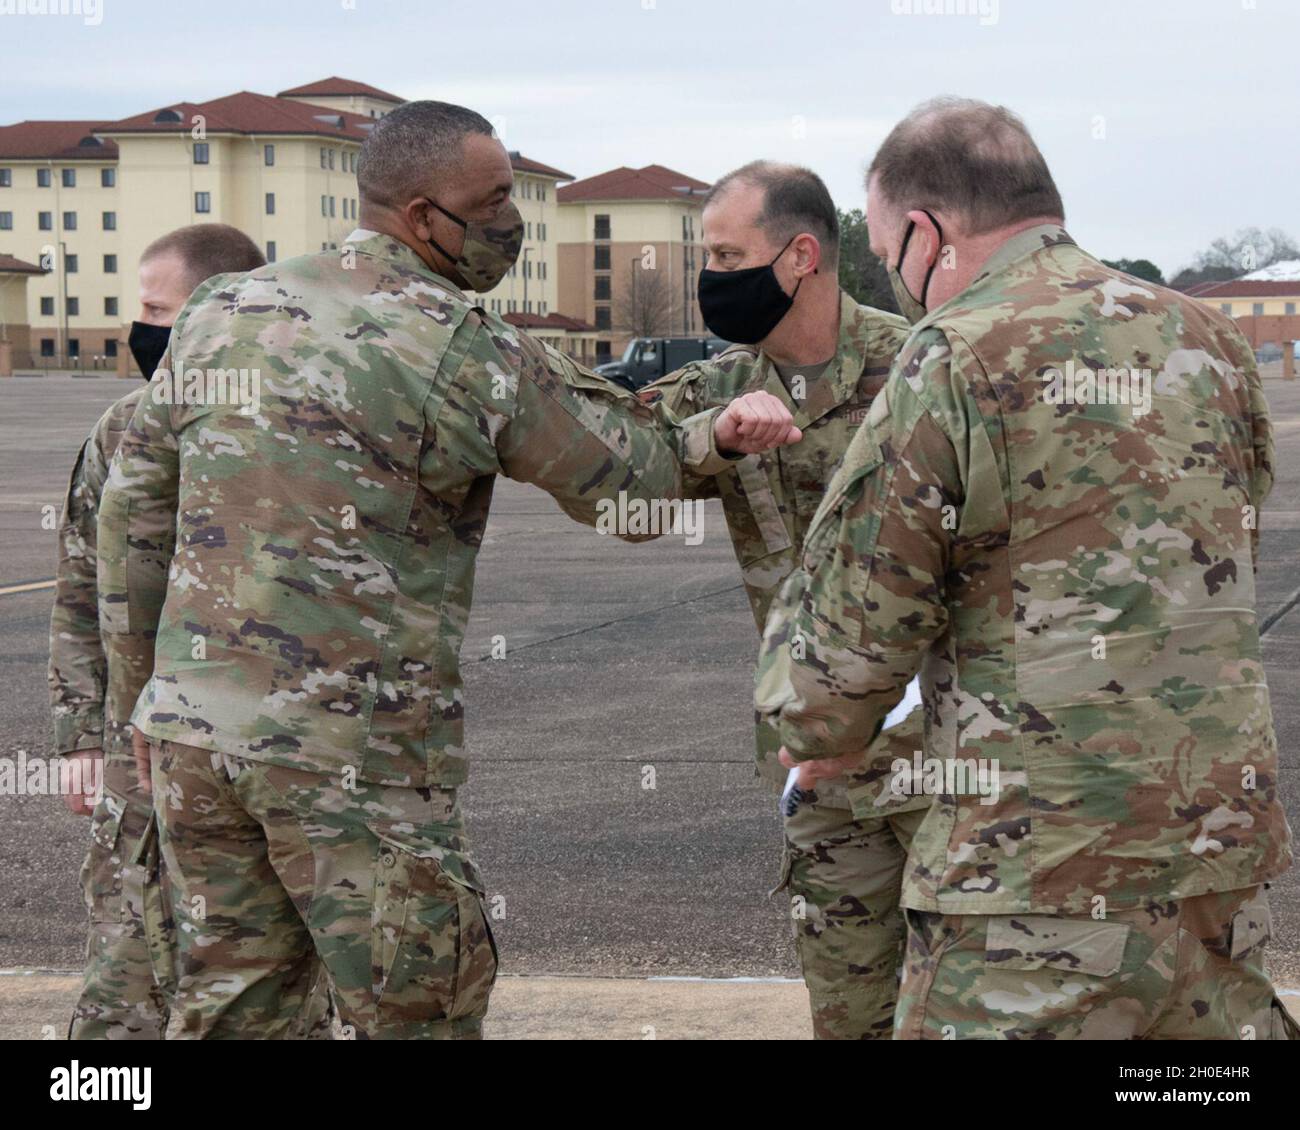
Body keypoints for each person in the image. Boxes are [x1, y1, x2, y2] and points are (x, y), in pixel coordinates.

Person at [96, 101, 798, 1040]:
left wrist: (139, 705)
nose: (512, 219)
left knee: (229, 1008)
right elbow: (626, 484)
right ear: (424, 217)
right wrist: (718, 432)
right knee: (417, 1006)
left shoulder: (223, 310)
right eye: (495, 198)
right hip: (353, 756)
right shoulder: (456, 341)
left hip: (194, 746)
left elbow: (133, 517)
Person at [757, 96, 1295, 1040]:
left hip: (1031, 886)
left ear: (926, 233)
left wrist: (814, 731)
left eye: (888, 258)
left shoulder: (952, 354)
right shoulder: (1207, 340)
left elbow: (846, 649)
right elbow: (1222, 558)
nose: (896, 285)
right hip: (1216, 862)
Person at [639, 161, 927, 1039]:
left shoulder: (922, 367)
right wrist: (712, 441)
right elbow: (620, 484)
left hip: (945, 747)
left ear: (801, 255)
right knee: (848, 1006)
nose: (711, 279)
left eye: (728, 255)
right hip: (815, 750)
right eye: (707, 257)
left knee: (987, 998)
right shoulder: (721, 387)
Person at [49, 223, 342, 1039]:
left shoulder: (299, 425)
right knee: (128, 968)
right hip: (136, 754)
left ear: (218, 312)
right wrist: (80, 733)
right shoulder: (120, 429)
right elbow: (80, 585)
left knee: (266, 973)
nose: (138, 328)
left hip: (255, 752)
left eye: (155, 308)